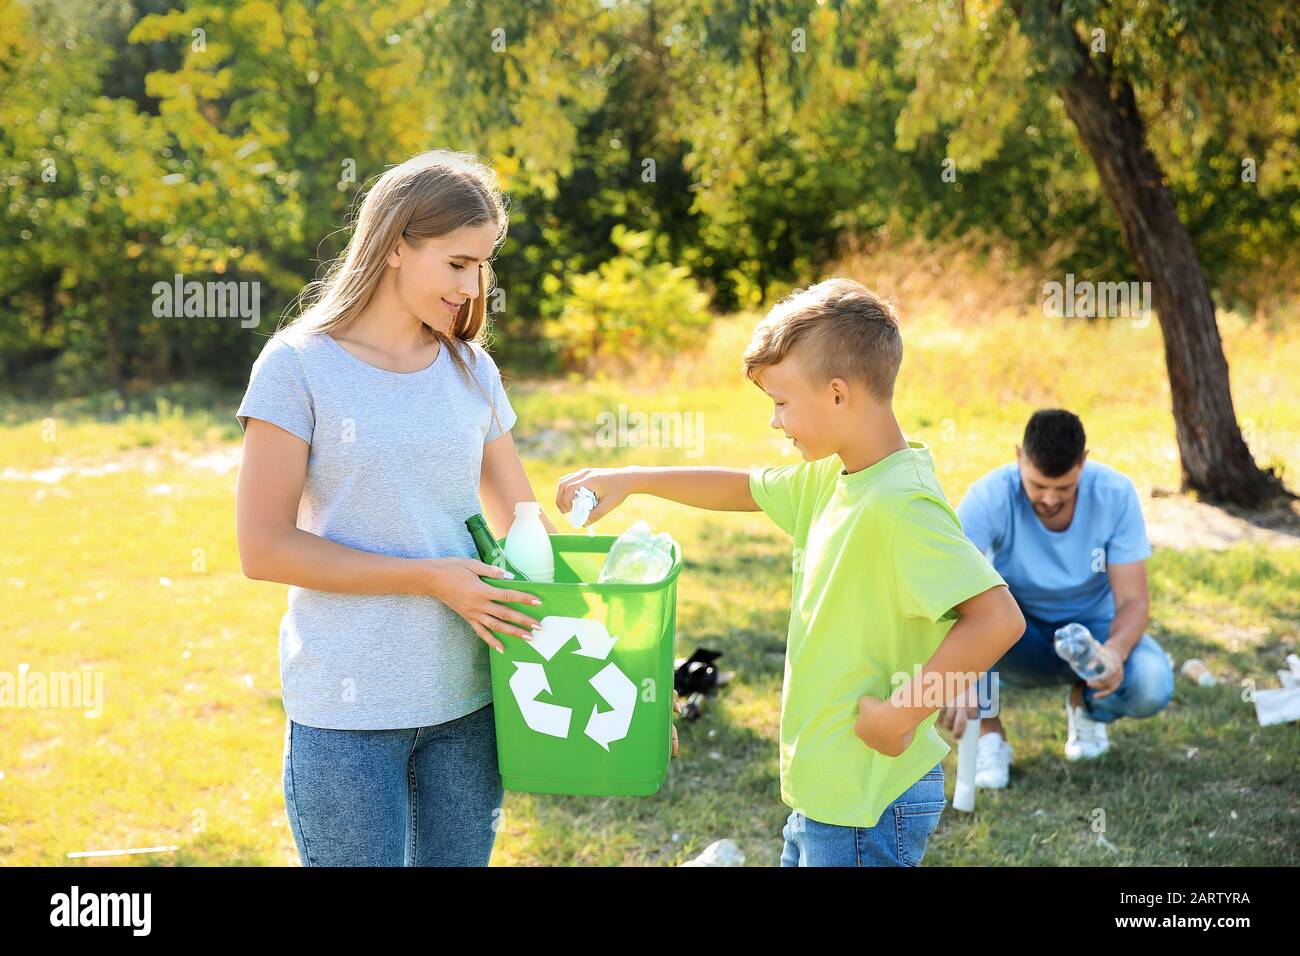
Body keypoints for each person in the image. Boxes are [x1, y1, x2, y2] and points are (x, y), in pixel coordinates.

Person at [557, 278, 1024, 866]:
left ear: (837, 394)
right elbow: (742, 487)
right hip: (825, 789)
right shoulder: (835, 477)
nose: (775, 423)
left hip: (868, 798)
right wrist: (632, 478)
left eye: (781, 403)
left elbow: (996, 619)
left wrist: (904, 712)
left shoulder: (901, 503)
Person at [235, 149, 556, 866]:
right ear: (396, 247)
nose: (474, 286)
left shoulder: (470, 368)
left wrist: (628, 679)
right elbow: (263, 548)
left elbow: (527, 529)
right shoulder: (298, 367)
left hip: (467, 706)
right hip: (347, 718)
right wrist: (431, 577)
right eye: (457, 263)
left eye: (482, 266)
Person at [940, 409, 1174, 789]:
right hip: (1016, 635)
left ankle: (1086, 704)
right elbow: (948, 590)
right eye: (1037, 486)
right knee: (965, 625)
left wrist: (1113, 651)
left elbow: (1133, 601)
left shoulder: (1115, 493)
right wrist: (960, 675)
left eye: (1063, 489)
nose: (1049, 499)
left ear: (1083, 462)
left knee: (1152, 683)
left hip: (1091, 638)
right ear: (1019, 457)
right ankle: (989, 735)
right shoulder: (989, 495)